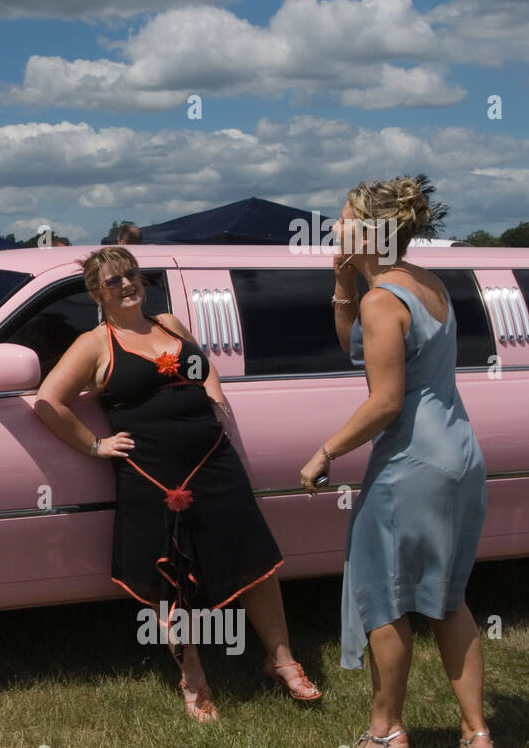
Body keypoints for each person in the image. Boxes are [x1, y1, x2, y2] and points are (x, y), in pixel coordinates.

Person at [37, 246, 320, 721]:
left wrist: (216, 403)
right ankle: (193, 679)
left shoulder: (170, 322)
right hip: (153, 473)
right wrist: (95, 446)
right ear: (95, 292)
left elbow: (203, 366)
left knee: (255, 559)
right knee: (173, 576)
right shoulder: (95, 343)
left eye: (132, 274)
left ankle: (281, 659)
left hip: (213, 459)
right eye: (114, 280)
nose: (128, 284)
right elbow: (48, 401)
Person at [298, 177, 492, 748]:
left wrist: (325, 450)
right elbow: (356, 346)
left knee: (385, 603)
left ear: (371, 229)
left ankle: (384, 734)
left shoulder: (384, 300)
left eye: (344, 217)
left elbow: (383, 401)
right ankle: (477, 736)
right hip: (459, 452)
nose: (334, 226)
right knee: (448, 601)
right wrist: (343, 281)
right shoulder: (423, 283)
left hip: (411, 463)